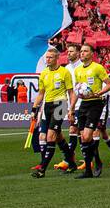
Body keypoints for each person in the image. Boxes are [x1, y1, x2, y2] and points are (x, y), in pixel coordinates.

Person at [30, 47, 76, 177]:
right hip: (47, 105)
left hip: (60, 104)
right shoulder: (44, 73)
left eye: (50, 57)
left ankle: (42, 170)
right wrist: (34, 109)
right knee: (58, 137)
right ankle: (71, 163)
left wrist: (71, 109)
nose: (47, 59)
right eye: (46, 57)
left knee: (50, 136)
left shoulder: (64, 72)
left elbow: (71, 92)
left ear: (57, 58)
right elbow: (40, 94)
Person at [72, 43, 110, 178]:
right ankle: (93, 165)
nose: (82, 53)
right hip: (83, 104)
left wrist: (99, 93)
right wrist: (72, 106)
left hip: (95, 104)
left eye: (85, 51)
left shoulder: (97, 68)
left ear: (91, 54)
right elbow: (77, 89)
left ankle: (93, 165)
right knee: (84, 138)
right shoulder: (78, 70)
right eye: (81, 51)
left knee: (87, 136)